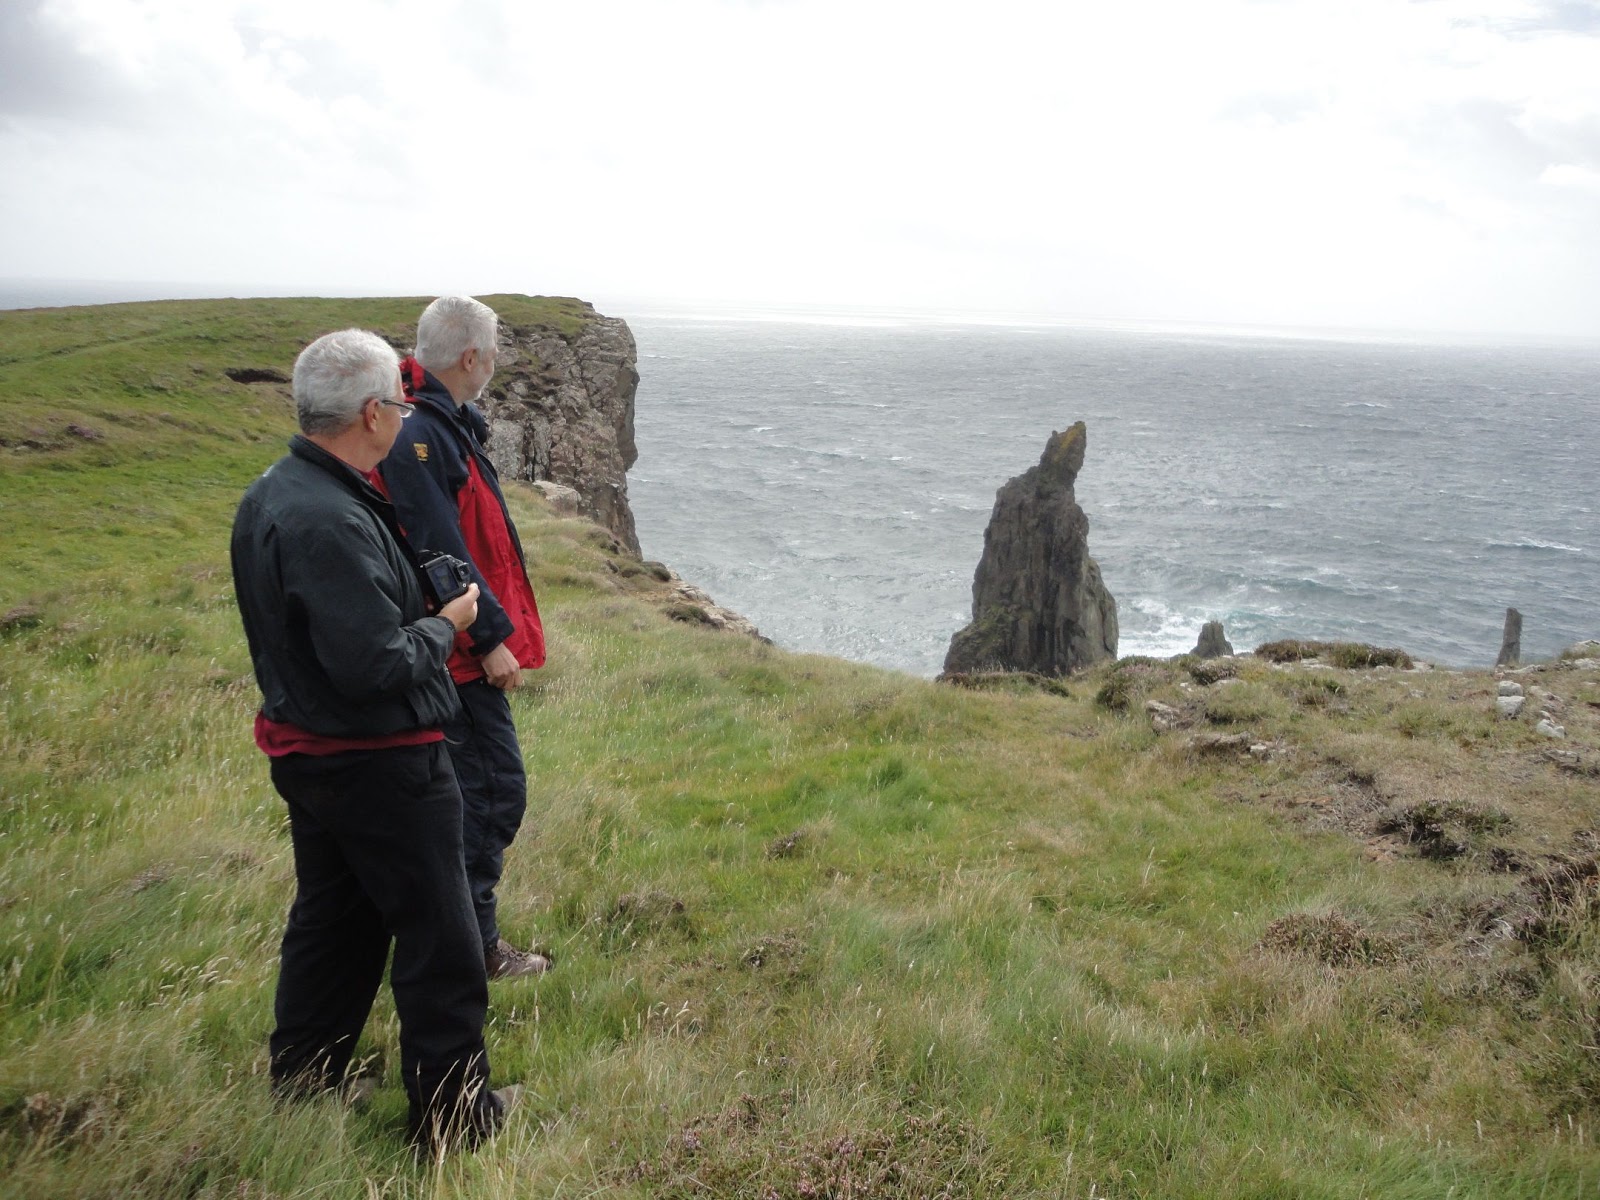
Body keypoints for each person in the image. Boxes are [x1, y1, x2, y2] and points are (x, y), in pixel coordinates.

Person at [230, 327, 511, 1149]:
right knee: (442, 940)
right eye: (394, 400)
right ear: (370, 412)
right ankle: (458, 1122)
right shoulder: (327, 517)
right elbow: (374, 664)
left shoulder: (275, 493)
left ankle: (306, 1082)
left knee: (337, 923)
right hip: (379, 760)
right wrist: (446, 623)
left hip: (312, 752)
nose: (400, 414)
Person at [376, 296, 549, 980]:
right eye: (494, 353)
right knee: (487, 795)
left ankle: (466, 938)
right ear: (471, 357)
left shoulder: (439, 424)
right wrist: (490, 638)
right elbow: (437, 544)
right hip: (454, 656)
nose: (496, 365)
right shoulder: (420, 431)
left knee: (482, 794)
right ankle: (473, 949)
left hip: (455, 650)